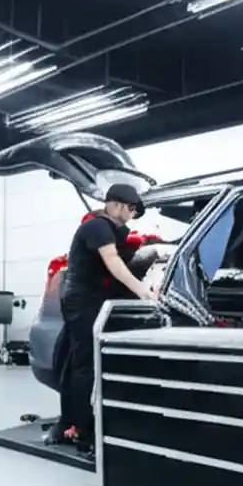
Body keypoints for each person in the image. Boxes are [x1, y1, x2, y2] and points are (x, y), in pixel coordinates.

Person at [50, 183, 154, 456]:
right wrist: (142, 290)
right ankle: (85, 434)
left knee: (76, 363)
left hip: (89, 300)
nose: (133, 215)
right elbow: (113, 262)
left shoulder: (107, 230)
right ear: (118, 205)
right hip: (82, 302)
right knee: (84, 366)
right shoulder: (97, 227)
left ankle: (67, 423)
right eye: (132, 209)